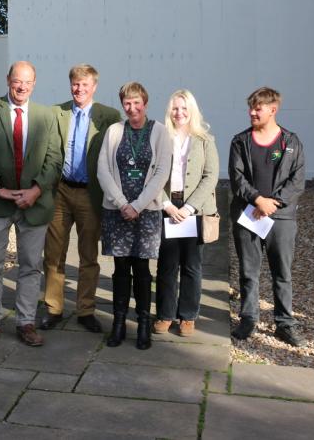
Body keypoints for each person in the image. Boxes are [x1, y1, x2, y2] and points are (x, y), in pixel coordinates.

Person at [0, 61, 62, 348]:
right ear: (8, 80)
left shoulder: (47, 115)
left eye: (28, 82)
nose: (21, 87)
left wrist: (36, 189)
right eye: (17, 81)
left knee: (31, 266)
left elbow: (55, 158)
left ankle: (25, 322)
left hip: (35, 203)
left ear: (34, 84)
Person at [40, 64, 120, 334]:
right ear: (70, 85)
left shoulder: (108, 116)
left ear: (94, 87)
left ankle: (85, 310)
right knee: (54, 253)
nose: (79, 89)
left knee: (88, 254)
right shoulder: (56, 112)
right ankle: (53, 308)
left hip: (90, 192)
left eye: (85, 84)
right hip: (60, 191)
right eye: (75, 83)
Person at [96, 81, 171, 349]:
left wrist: (137, 205)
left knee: (141, 270)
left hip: (146, 211)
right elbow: (103, 169)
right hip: (117, 211)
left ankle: (142, 323)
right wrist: (122, 203)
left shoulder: (160, 132)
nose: (132, 108)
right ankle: (118, 323)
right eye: (127, 103)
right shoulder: (115, 131)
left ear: (145, 103)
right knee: (119, 269)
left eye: (136, 102)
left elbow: (162, 172)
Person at [229, 87, 306, 347]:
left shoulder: (291, 141)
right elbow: (237, 178)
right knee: (249, 272)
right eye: (250, 107)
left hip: (281, 218)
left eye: (257, 108)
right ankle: (248, 318)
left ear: (273, 109)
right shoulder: (240, 141)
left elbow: (297, 180)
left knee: (281, 272)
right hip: (248, 215)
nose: (252, 112)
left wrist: (274, 203)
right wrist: (257, 200)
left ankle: (284, 322)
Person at [153, 90, 219, 338]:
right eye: (175, 108)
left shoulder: (205, 140)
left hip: (195, 208)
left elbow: (210, 176)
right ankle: (165, 314)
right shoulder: (161, 138)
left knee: (192, 265)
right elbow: (154, 174)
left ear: (192, 110)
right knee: (167, 265)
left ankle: (188, 316)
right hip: (168, 206)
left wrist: (189, 208)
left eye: (184, 108)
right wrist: (167, 205)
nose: (179, 113)